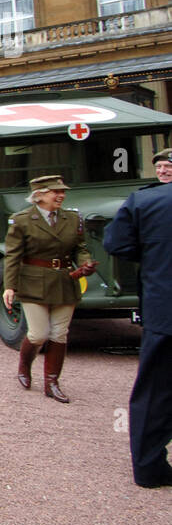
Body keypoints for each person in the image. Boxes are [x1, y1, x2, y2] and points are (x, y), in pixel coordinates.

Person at [103, 170, 172, 487]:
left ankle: (148, 468)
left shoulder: (146, 201)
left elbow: (116, 243)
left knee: (154, 393)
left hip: (163, 310)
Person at [2, 175, 96, 403]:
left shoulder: (73, 218)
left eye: (63, 192)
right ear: (40, 195)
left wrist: (85, 262)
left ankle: (52, 383)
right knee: (38, 333)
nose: (61, 196)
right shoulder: (21, 220)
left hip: (65, 281)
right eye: (56, 192)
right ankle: (25, 365)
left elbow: (79, 247)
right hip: (33, 282)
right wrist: (9, 286)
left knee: (59, 334)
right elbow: (13, 256)